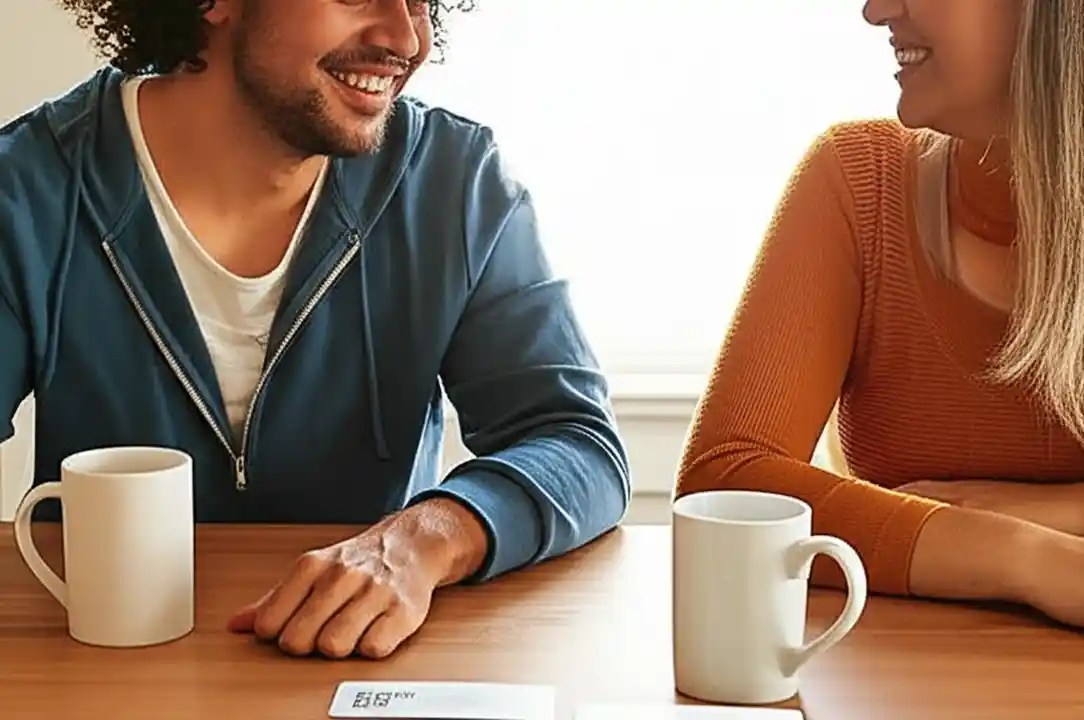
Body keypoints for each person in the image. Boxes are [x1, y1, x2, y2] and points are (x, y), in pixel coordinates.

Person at [0, 0, 629, 659]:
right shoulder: (30, 191)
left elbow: (577, 443)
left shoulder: (454, 184)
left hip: (361, 662)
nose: (405, 37)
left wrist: (424, 540)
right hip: (103, 664)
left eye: (420, 2)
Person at [676, 0, 1084, 670]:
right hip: (907, 682)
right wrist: (1034, 559)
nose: (877, 10)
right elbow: (724, 482)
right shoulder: (854, 177)